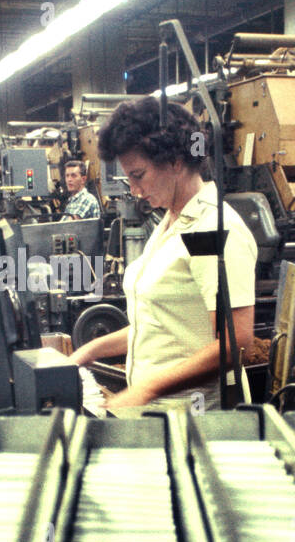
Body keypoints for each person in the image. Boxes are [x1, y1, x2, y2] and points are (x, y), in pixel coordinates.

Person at [69, 98, 257, 410]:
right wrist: (88, 351)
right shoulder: (170, 221)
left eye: (138, 174)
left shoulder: (210, 229)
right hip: (159, 415)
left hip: (199, 422)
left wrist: (144, 391)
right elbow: (160, 326)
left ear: (175, 162)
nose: (133, 189)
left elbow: (234, 343)